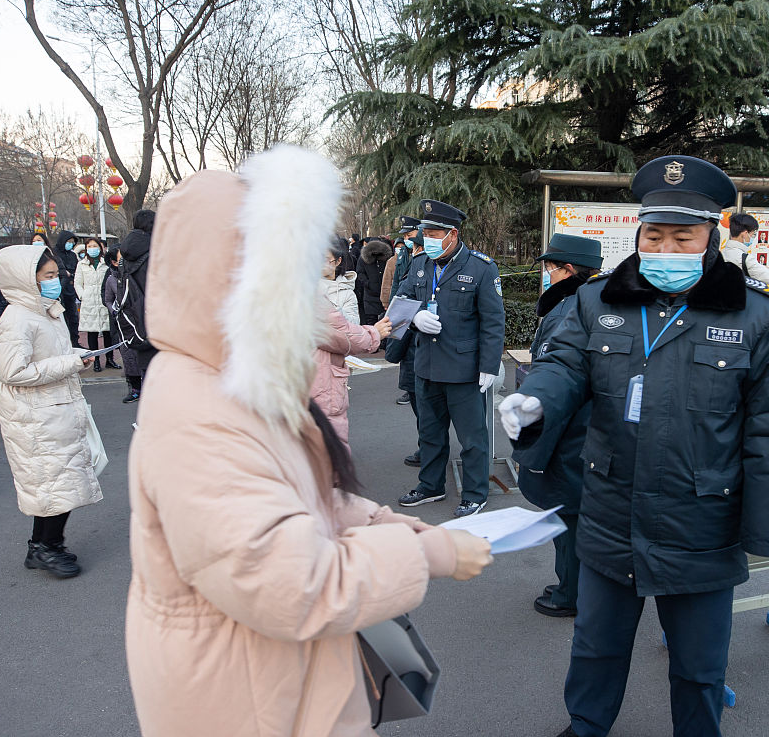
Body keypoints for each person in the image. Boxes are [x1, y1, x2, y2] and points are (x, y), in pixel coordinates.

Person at [125, 144, 493, 737]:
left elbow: (292, 497)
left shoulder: (235, 374)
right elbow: (289, 584)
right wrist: (432, 555)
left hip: (278, 682)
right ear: (228, 274)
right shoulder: (200, 408)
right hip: (244, 700)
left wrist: (386, 524)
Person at [499, 155, 769, 737]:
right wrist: (537, 399)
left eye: (682, 235)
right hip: (611, 510)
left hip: (702, 522)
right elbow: (564, 362)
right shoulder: (598, 303)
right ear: (638, 233)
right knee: (595, 646)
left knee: (698, 667)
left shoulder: (756, 315)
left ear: (710, 237)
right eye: (654, 234)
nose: (666, 248)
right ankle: (586, 726)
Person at [0, 245, 102, 579]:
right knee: (55, 485)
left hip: (54, 409)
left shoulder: (45, 311)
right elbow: (13, 371)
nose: (56, 281)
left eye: (57, 274)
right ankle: (46, 548)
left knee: (58, 483)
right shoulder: (18, 319)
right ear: (26, 280)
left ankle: (44, 545)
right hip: (36, 416)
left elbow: (52, 356)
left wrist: (75, 356)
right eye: (48, 276)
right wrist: (71, 362)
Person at [396, 199, 506, 518]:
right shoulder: (420, 265)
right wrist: (414, 316)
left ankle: (475, 493)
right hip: (426, 365)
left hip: (464, 370)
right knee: (429, 433)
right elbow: (401, 301)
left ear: (452, 235)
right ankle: (431, 486)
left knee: (472, 437)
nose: (426, 239)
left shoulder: (481, 268)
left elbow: (492, 321)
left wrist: (489, 365)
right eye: (424, 233)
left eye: (433, 233)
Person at [514, 235, 602, 619]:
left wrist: (532, 451)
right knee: (581, 517)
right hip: (591, 428)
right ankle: (582, 590)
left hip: (571, 432)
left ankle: (571, 594)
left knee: (569, 519)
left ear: (568, 270)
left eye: (550, 268)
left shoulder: (568, 309)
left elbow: (558, 382)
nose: (546, 274)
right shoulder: (592, 301)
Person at [311, 287, 391, 448]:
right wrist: (375, 334)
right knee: (327, 451)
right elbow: (343, 334)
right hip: (317, 381)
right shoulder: (304, 294)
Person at [381, 216, 421, 407]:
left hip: (416, 316)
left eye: (410, 235)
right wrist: (391, 306)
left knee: (411, 350)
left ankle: (411, 388)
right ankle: (408, 389)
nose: (406, 239)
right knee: (403, 352)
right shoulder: (404, 254)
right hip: (402, 310)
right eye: (404, 235)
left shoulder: (424, 256)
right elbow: (397, 283)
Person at [116, 210, 157, 385]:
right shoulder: (154, 253)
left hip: (137, 318)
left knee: (148, 375)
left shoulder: (125, 255)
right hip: (157, 321)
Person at [721, 212, 769, 290]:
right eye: (753, 234)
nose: (753, 238)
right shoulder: (746, 259)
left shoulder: (722, 254)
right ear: (745, 234)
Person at [103, 249, 139, 400]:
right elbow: (107, 300)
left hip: (138, 321)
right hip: (123, 324)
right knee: (128, 357)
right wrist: (114, 311)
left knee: (142, 356)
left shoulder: (135, 274)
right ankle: (135, 389)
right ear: (114, 262)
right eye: (121, 258)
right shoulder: (111, 279)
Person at [74, 236, 112, 372]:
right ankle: (95, 361)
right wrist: (83, 295)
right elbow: (78, 283)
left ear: (100, 247)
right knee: (92, 333)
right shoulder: (82, 264)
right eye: (89, 246)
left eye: (94, 246)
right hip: (89, 300)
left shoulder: (105, 263)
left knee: (108, 331)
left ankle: (110, 359)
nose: (92, 249)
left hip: (104, 298)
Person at [320, 237, 359, 324]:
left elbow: (355, 325)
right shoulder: (307, 288)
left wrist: (334, 310)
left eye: (325, 260)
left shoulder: (347, 294)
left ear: (338, 261)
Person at [355, 235, 392, 326]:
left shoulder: (386, 258)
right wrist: (368, 284)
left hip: (384, 295)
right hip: (369, 297)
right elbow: (360, 273)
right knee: (371, 323)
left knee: (385, 323)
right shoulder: (363, 259)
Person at [54, 230, 81, 345]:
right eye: (68, 241)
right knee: (62, 318)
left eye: (72, 242)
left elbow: (76, 270)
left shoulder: (72, 255)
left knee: (73, 317)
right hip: (59, 288)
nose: (70, 244)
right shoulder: (54, 253)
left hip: (71, 288)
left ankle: (75, 341)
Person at [98, 248, 122, 371]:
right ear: (114, 262)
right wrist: (113, 310)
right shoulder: (110, 276)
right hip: (119, 318)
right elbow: (107, 297)